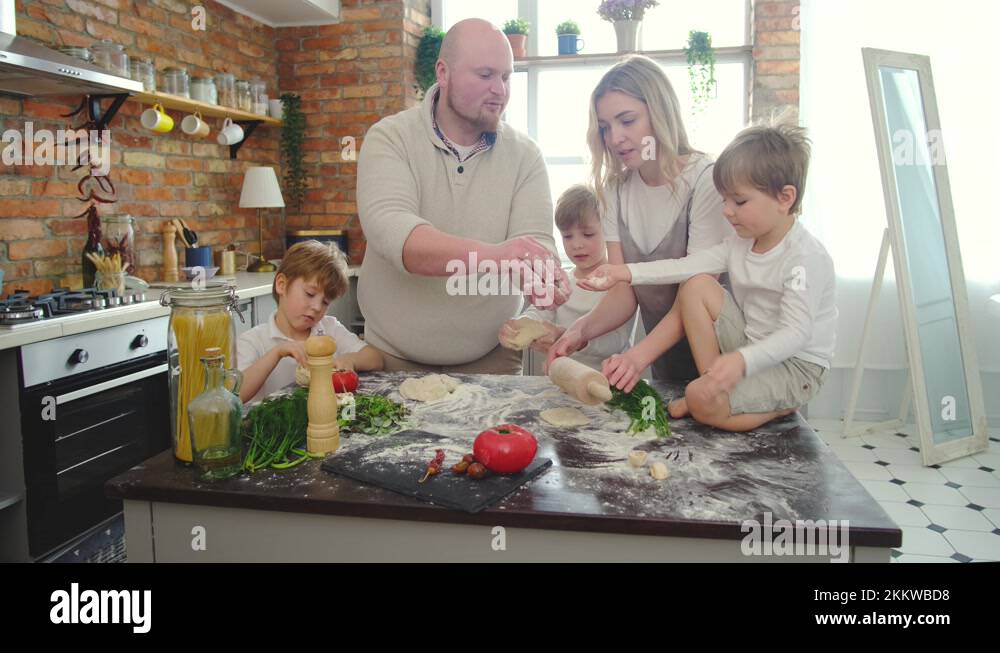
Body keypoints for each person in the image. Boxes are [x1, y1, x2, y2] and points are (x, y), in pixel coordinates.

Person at [578, 122, 837, 432]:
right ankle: (710, 389)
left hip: (794, 365)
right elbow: (686, 265)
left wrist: (741, 360)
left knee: (701, 401)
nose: (727, 211)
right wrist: (623, 272)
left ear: (785, 198)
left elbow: (795, 333)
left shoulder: (804, 258)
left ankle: (777, 407)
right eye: (724, 200)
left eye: (739, 202)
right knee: (697, 284)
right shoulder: (741, 243)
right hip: (751, 345)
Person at [356, 18, 570, 374]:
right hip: (391, 359)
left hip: (494, 360)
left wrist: (542, 280)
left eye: (506, 77)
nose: (499, 90)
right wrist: (500, 256)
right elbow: (401, 241)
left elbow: (534, 245)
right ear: (443, 72)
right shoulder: (389, 139)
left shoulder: (525, 155)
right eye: (485, 75)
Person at [547, 55, 733, 383]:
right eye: (605, 127)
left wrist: (638, 355)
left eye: (627, 120)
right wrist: (579, 331)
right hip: (668, 364)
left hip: (724, 360)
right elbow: (624, 293)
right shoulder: (615, 190)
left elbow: (696, 293)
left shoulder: (706, 180)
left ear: (660, 113)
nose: (615, 137)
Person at [498, 184, 633, 370]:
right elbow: (541, 312)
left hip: (608, 381)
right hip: (561, 380)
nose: (577, 244)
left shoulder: (619, 285)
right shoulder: (561, 283)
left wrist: (574, 338)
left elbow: (617, 341)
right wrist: (521, 323)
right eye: (567, 236)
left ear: (609, 231)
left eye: (588, 234)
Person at [237, 240, 384, 404]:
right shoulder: (253, 340)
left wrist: (351, 359)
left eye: (325, 302)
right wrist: (277, 353)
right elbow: (237, 394)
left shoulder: (329, 329)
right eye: (310, 293)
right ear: (281, 285)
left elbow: (375, 359)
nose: (316, 307)